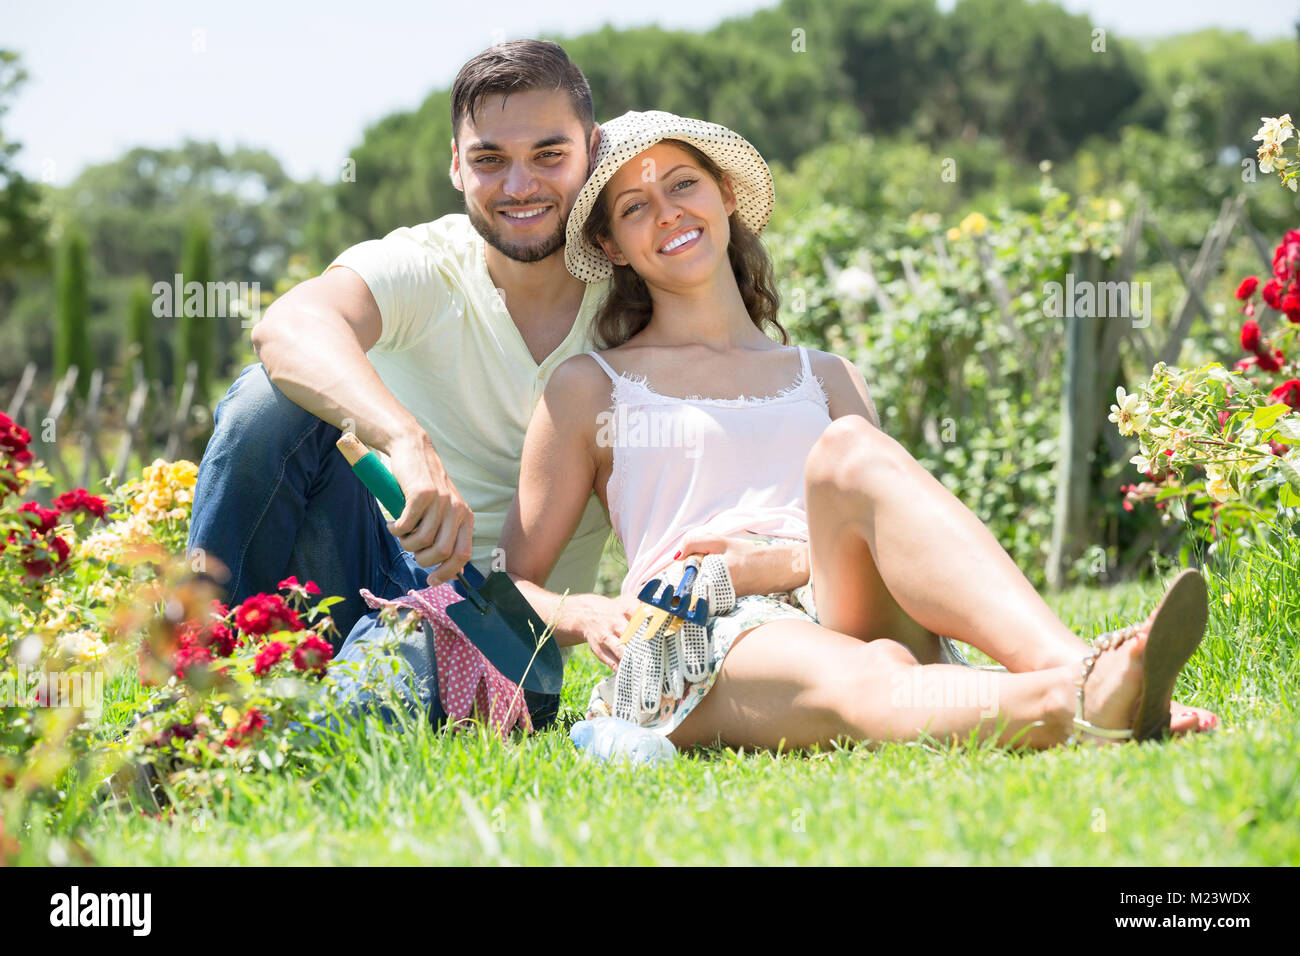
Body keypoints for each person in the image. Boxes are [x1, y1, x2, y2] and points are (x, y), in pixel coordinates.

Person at [496, 109, 1220, 750]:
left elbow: (878, 532)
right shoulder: (593, 385)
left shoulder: (826, 374)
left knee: (850, 451)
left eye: (683, 184)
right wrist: (585, 610)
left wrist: (778, 564)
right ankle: (1083, 701)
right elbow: (509, 586)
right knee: (875, 671)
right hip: (701, 626)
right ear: (615, 245)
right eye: (634, 206)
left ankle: (1079, 666)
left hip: (830, 592)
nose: (667, 213)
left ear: (724, 196)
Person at [185, 40, 641, 727]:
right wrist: (402, 438)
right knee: (267, 401)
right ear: (457, 166)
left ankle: (278, 720)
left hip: (503, 626)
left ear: (592, 149)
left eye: (549, 155)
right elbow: (288, 325)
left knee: (347, 719)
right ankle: (196, 678)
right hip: (371, 564)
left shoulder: (634, 309)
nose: (520, 186)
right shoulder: (426, 264)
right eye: (490, 159)